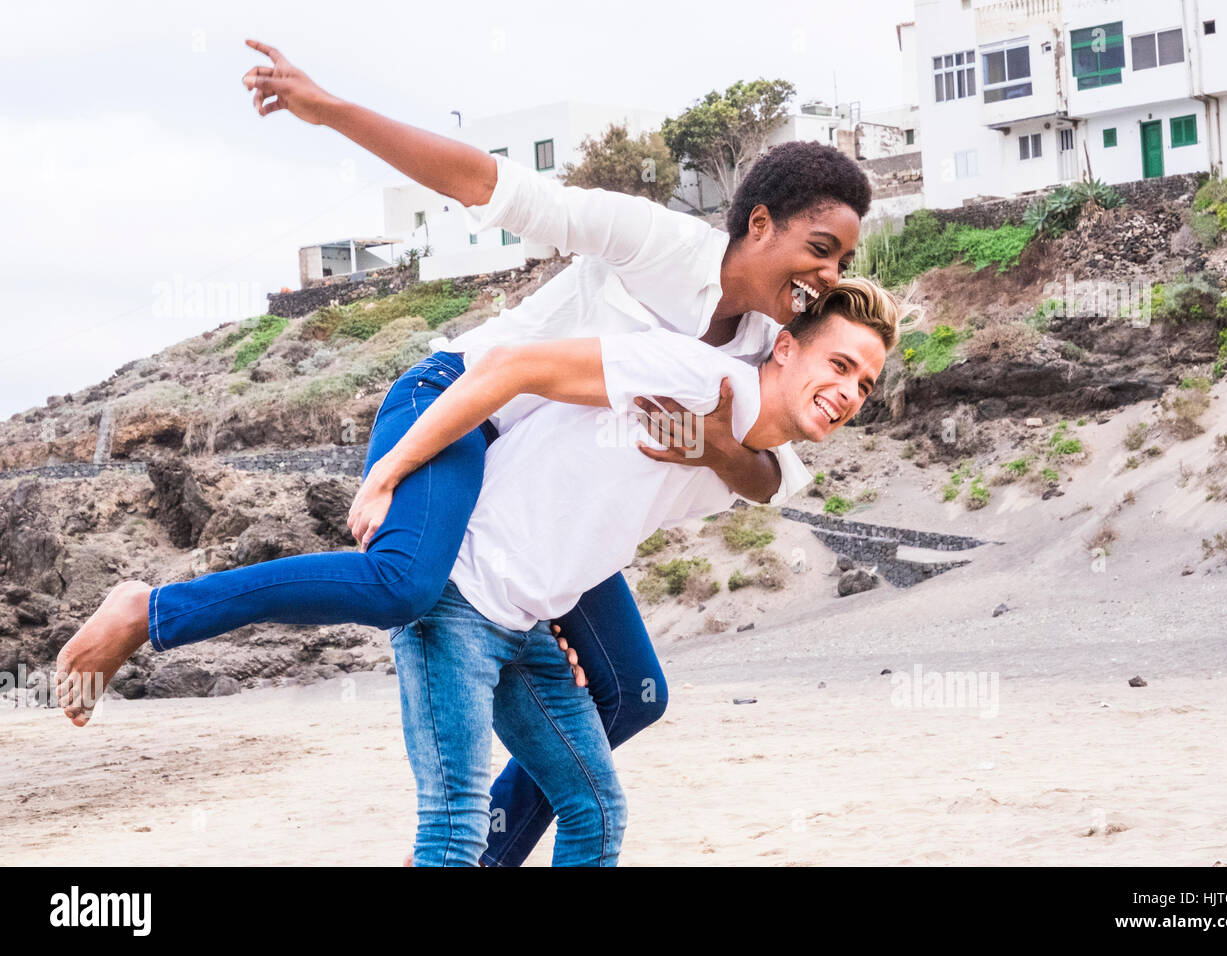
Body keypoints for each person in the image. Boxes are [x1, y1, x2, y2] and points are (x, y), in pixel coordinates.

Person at [54, 38, 873, 867]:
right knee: (405, 583)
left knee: (633, 695)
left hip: (531, 483)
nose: (828, 273)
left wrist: (711, 445)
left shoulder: (775, 346)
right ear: (759, 222)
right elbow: (489, 186)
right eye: (819, 247)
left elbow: (766, 474)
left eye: (842, 260)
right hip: (453, 405)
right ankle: (148, 611)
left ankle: (488, 851)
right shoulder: (658, 241)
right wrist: (329, 109)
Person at [380, 279, 898, 864]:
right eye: (841, 364)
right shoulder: (686, 302)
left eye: (865, 383)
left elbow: (770, 482)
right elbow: (513, 366)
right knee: (462, 826)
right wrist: (392, 476)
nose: (850, 391)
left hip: (549, 564)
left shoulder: (757, 388)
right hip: (462, 424)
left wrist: (716, 449)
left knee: (627, 720)